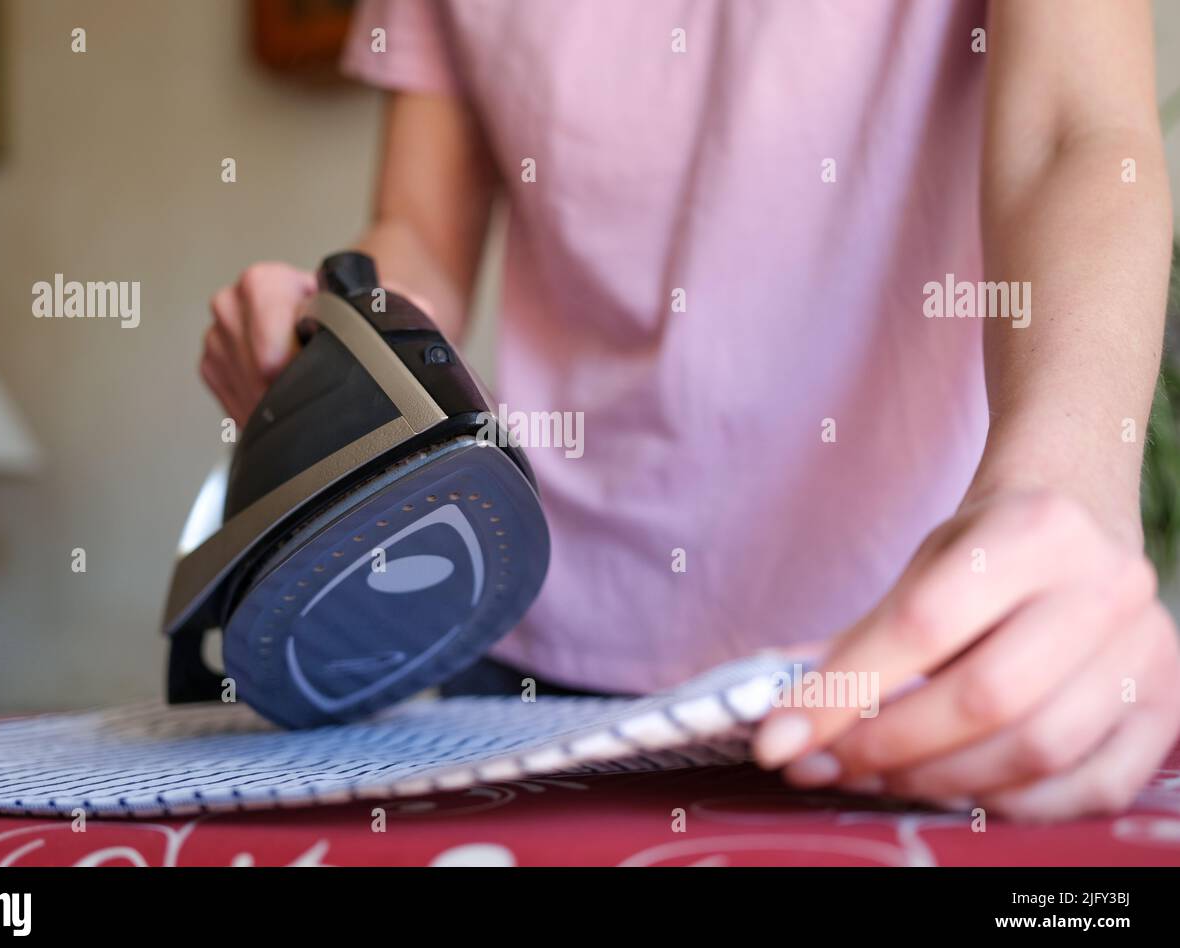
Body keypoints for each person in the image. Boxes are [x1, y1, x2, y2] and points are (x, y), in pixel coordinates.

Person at [199, 0, 1180, 821]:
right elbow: (420, 234)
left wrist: (1065, 487)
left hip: (913, 642)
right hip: (529, 648)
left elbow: (1076, 132)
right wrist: (344, 341)